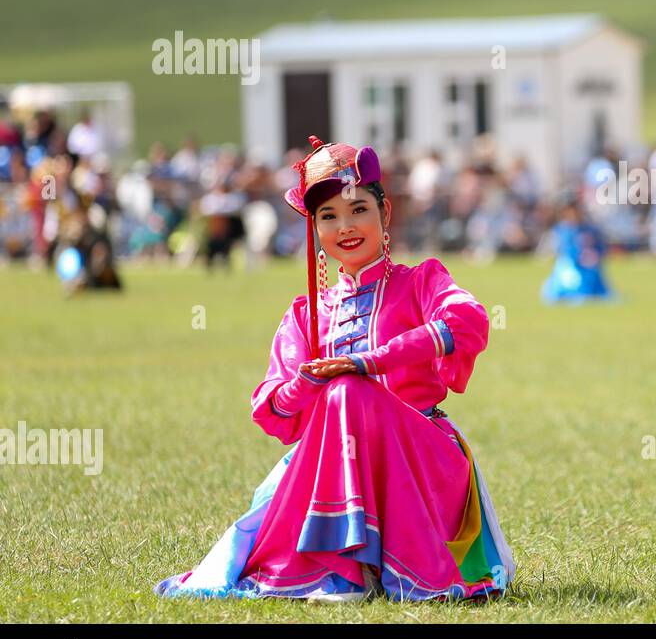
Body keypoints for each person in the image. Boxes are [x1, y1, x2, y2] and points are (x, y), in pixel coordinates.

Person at [155, 136, 514, 601]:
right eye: (328, 216)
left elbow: (468, 322)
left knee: (348, 391)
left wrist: (367, 362)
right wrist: (307, 383)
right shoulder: (305, 314)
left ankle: (346, 573)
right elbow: (272, 408)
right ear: (314, 231)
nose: (345, 226)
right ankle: (339, 567)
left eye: (358, 209)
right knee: (341, 395)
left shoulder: (422, 281)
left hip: (424, 463)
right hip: (333, 459)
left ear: (384, 215)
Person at [540, 196, 614, 304]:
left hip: (589, 269)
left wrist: (593, 258)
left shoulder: (590, 229)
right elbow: (559, 252)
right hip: (570, 267)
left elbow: (601, 249)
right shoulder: (560, 231)